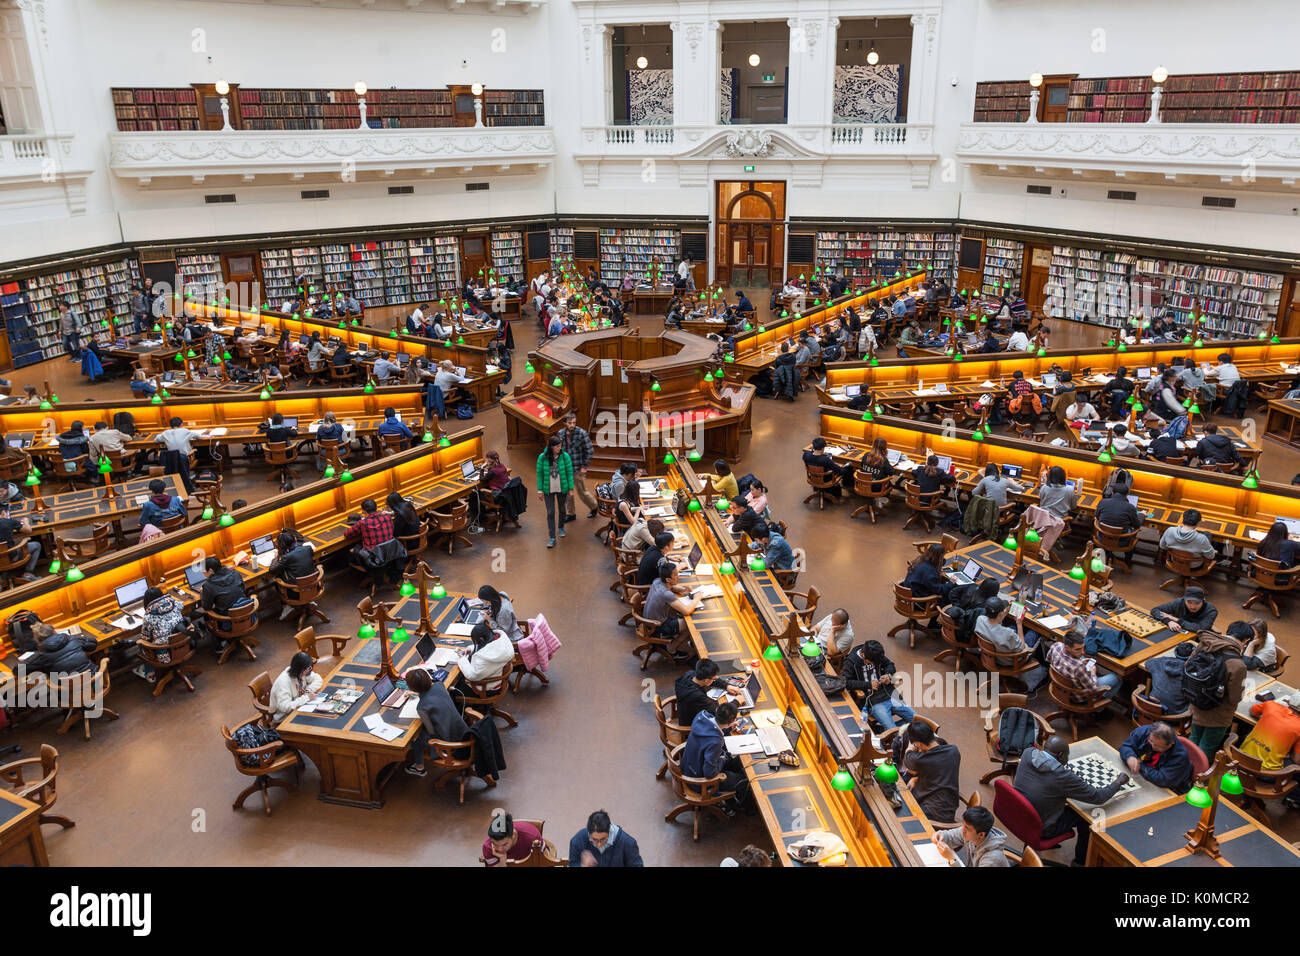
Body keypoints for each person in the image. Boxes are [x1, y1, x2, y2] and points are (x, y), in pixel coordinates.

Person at [1013, 735, 1130, 866]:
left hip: (1017, 815)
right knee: (1086, 819)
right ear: (1061, 755)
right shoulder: (1062, 776)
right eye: (1067, 756)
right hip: (1042, 828)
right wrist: (1118, 782)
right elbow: (1098, 797)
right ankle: (1080, 862)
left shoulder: (1028, 753)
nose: (1067, 760)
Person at [682, 700, 752, 814]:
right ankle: (738, 808)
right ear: (730, 722)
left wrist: (728, 728)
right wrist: (721, 760)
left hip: (689, 766)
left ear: (716, 710)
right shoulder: (715, 742)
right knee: (744, 782)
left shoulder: (701, 716)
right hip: (698, 781)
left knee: (734, 760)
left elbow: (711, 729)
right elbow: (709, 773)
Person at [1187, 630, 1246, 756]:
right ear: (1245, 641)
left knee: (1193, 740)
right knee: (1206, 749)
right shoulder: (1237, 664)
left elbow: (1188, 666)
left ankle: (1184, 768)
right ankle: (1198, 774)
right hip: (1218, 715)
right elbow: (1235, 698)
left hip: (1196, 704)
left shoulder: (1205, 645)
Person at [975, 597, 1046, 690]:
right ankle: (1045, 668)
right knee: (1034, 632)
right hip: (1012, 661)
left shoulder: (980, 619)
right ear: (1000, 613)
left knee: (1012, 626)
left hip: (990, 656)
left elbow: (996, 626)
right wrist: (1019, 624)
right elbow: (1023, 647)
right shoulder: (1008, 634)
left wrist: (1004, 615)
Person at [843, 640, 915, 729]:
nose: (875, 664)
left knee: (916, 720)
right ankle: (889, 731)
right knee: (893, 731)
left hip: (890, 694)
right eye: (872, 663)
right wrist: (868, 684)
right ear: (863, 655)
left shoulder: (876, 655)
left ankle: (883, 731)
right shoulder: (851, 661)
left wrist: (888, 675)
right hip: (873, 702)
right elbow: (846, 682)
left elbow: (889, 664)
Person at [902, 720, 962, 823]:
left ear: (918, 744)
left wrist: (910, 748)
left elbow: (908, 760)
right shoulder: (954, 751)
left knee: (900, 811)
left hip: (933, 813)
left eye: (915, 744)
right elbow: (937, 770)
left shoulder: (921, 760)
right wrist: (916, 778)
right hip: (948, 805)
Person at [1119, 722, 1194, 794]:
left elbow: (1162, 780)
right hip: (1145, 778)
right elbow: (1126, 746)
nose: (1153, 746)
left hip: (1170, 790)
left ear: (1171, 744)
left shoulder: (1180, 757)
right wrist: (1130, 756)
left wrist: (1139, 765)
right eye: (1151, 741)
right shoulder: (1144, 731)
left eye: (1158, 746)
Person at [1046, 626, 1120, 699]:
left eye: (1083, 647)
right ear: (1067, 647)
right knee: (1118, 677)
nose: (1083, 652)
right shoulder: (1079, 667)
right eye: (1078, 649)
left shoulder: (1056, 645)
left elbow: (1048, 660)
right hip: (1075, 697)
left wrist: (1078, 662)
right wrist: (1093, 673)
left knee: (1082, 658)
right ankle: (1099, 703)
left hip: (1058, 688)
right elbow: (1093, 689)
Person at [930, 805, 1010, 867]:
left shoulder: (992, 859)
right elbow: (950, 836)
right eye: (963, 825)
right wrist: (940, 835)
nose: (962, 830)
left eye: (967, 828)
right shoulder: (971, 834)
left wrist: (951, 859)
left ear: (981, 834)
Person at [673, 658, 743, 727]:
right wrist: (736, 702)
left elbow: (711, 680)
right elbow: (719, 713)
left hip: (687, 712)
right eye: (714, 678)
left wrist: (727, 686)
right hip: (693, 723)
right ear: (706, 681)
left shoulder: (690, 675)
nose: (717, 678)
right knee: (727, 725)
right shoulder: (697, 696)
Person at [1239, 692, 1300, 771]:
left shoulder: (1271, 705)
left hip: (1240, 759)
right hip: (1267, 773)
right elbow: (1296, 759)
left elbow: (1252, 711)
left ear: (1288, 702)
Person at [536, 434, 573, 549]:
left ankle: (561, 527)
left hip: (562, 488)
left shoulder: (565, 456)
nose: (559, 448)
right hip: (548, 489)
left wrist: (570, 488)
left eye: (560, 446)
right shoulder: (542, 457)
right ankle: (552, 537)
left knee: (562, 509)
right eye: (557, 446)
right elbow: (540, 474)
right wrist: (540, 490)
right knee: (550, 512)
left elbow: (569, 473)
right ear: (551, 447)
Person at [568, 810, 643, 867]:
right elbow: (573, 864)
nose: (599, 844)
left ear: (609, 830)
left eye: (603, 839)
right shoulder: (577, 841)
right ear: (589, 833)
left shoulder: (628, 843)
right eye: (595, 840)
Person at [559, 412, 597, 521]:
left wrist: (584, 466)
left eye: (574, 423)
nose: (572, 425)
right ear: (565, 423)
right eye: (570, 423)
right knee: (567, 492)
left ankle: (594, 507)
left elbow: (589, 451)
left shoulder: (581, 433)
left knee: (582, 492)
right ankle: (571, 514)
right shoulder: (560, 434)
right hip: (565, 469)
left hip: (577, 469)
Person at [268, 651, 323, 724]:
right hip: (285, 718)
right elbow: (284, 707)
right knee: (316, 722)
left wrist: (308, 691)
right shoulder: (283, 682)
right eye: (305, 672)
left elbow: (318, 679)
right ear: (299, 669)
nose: (306, 675)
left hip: (299, 708)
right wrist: (306, 698)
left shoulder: (300, 672)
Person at [456, 622, 515, 686]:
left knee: (456, 685)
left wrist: (462, 659)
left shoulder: (483, 657)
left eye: (477, 642)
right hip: (497, 677)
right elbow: (490, 647)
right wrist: (471, 649)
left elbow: (472, 676)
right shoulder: (502, 639)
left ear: (481, 639)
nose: (477, 644)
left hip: (486, 687)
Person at [26, 624, 98, 676]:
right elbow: (93, 644)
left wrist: (27, 660)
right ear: (54, 631)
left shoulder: (41, 655)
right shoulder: (72, 639)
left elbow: (19, 670)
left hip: (68, 691)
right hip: (94, 680)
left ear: (38, 639)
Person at [1143, 641, 1195, 714]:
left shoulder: (1161, 662)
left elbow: (1148, 663)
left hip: (1153, 708)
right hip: (1176, 717)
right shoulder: (1192, 673)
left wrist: (1164, 659)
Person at [155, 416, 200, 493]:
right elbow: (199, 436)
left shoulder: (166, 432)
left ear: (171, 425)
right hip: (184, 458)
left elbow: (156, 440)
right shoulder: (185, 431)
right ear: (181, 424)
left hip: (171, 460)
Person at [0, 502, 40, 580]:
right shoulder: (7, 521)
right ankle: (28, 574)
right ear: (4, 512)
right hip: (12, 557)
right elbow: (28, 530)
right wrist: (25, 521)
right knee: (37, 545)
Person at [1152, 586, 1217, 632]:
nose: (1193, 606)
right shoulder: (1179, 602)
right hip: (1179, 632)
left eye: (1197, 603)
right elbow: (1155, 610)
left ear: (1203, 600)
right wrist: (1168, 621)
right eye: (1189, 602)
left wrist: (1175, 619)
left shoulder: (1211, 611)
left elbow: (1201, 629)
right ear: (1184, 599)